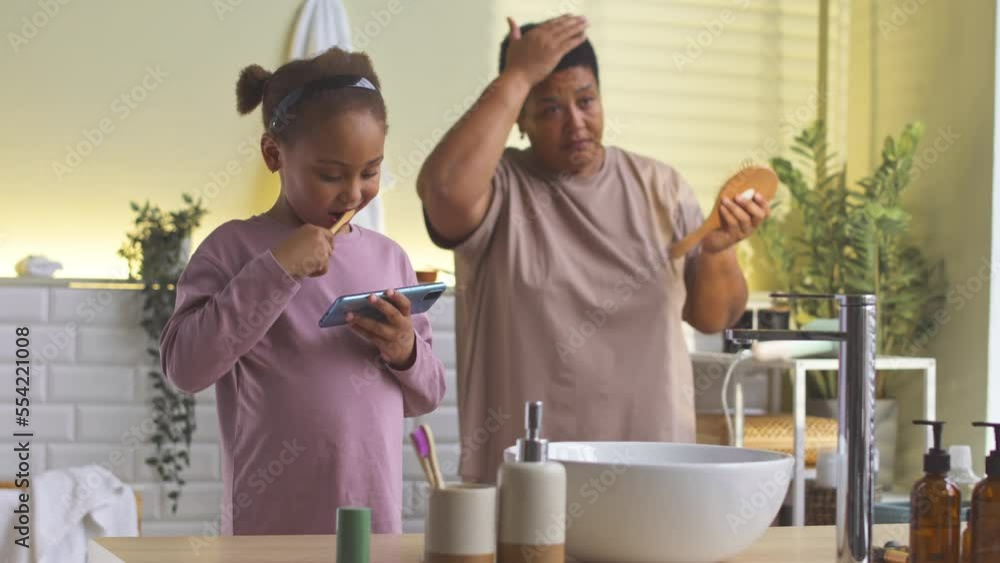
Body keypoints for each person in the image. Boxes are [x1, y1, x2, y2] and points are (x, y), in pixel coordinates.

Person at [418, 16, 769, 484]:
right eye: (549, 109)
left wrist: (722, 250)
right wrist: (517, 75)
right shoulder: (498, 190)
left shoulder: (661, 186)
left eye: (586, 101)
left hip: (653, 472)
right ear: (519, 118)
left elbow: (714, 318)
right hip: (527, 480)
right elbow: (441, 191)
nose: (576, 123)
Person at [160, 47, 446, 535]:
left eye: (370, 171)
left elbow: (427, 396)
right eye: (330, 175)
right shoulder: (231, 249)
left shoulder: (389, 258)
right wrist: (276, 269)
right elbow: (185, 368)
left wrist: (404, 351)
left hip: (372, 525)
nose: (353, 194)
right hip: (267, 527)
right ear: (274, 154)